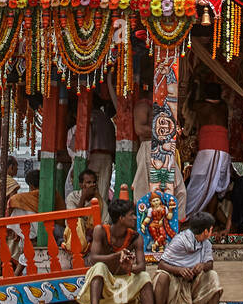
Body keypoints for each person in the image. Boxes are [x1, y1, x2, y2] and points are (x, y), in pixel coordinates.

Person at [76, 198, 168, 304]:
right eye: (131, 214)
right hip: (107, 283)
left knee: (144, 276)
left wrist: (130, 267)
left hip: (125, 283)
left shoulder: (136, 237)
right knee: (99, 267)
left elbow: (141, 266)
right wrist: (116, 255)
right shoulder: (100, 231)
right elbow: (93, 259)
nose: (135, 217)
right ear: (121, 218)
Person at [151, 210, 222, 304]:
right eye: (211, 229)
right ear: (206, 231)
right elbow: (161, 264)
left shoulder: (206, 244)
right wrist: (179, 270)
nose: (211, 232)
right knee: (161, 276)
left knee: (212, 275)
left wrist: (202, 266)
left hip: (193, 284)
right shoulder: (179, 241)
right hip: (175, 283)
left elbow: (210, 264)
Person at [129, 84, 187, 216]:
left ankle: (177, 222)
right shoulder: (143, 106)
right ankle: (143, 224)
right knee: (145, 189)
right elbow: (139, 129)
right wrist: (166, 133)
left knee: (178, 189)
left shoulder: (163, 106)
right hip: (150, 147)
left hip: (165, 148)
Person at [186, 82, 231, 215]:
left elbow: (189, 104)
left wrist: (193, 88)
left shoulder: (201, 106)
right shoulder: (224, 106)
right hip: (222, 147)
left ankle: (190, 214)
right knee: (214, 185)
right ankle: (208, 219)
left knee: (200, 180)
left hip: (210, 147)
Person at [87, 94, 116, 202]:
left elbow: (89, 137)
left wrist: (87, 157)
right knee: (103, 188)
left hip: (94, 155)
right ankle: (102, 215)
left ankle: (91, 215)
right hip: (108, 157)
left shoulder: (91, 117)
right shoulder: (108, 120)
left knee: (90, 187)